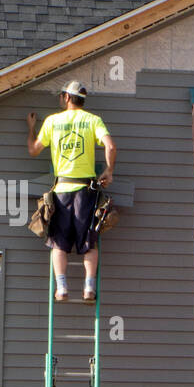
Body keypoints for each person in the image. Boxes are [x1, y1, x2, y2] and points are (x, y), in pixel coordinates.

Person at [27, 81, 117, 302]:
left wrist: (31, 128)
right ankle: (88, 288)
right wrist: (109, 170)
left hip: (62, 191)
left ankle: (62, 288)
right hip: (87, 191)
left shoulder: (52, 122)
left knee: (58, 244)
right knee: (89, 244)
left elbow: (33, 150)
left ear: (67, 98)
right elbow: (111, 146)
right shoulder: (92, 120)